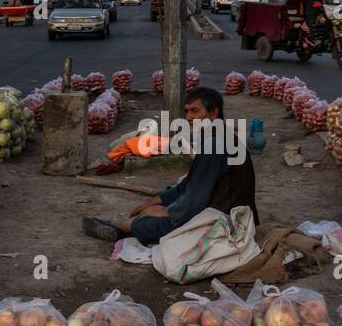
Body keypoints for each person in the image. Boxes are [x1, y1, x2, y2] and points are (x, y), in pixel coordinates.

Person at [82, 86, 258, 246]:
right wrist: (154, 201)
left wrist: (167, 212)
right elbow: (191, 183)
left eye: (195, 111)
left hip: (226, 218)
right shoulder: (216, 136)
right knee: (150, 211)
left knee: (148, 222)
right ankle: (124, 227)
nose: (188, 118)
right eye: (187, 111)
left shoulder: (215, 143)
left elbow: (196, 195)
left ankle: (121, 230)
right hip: (222, 206)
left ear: (213, 113)